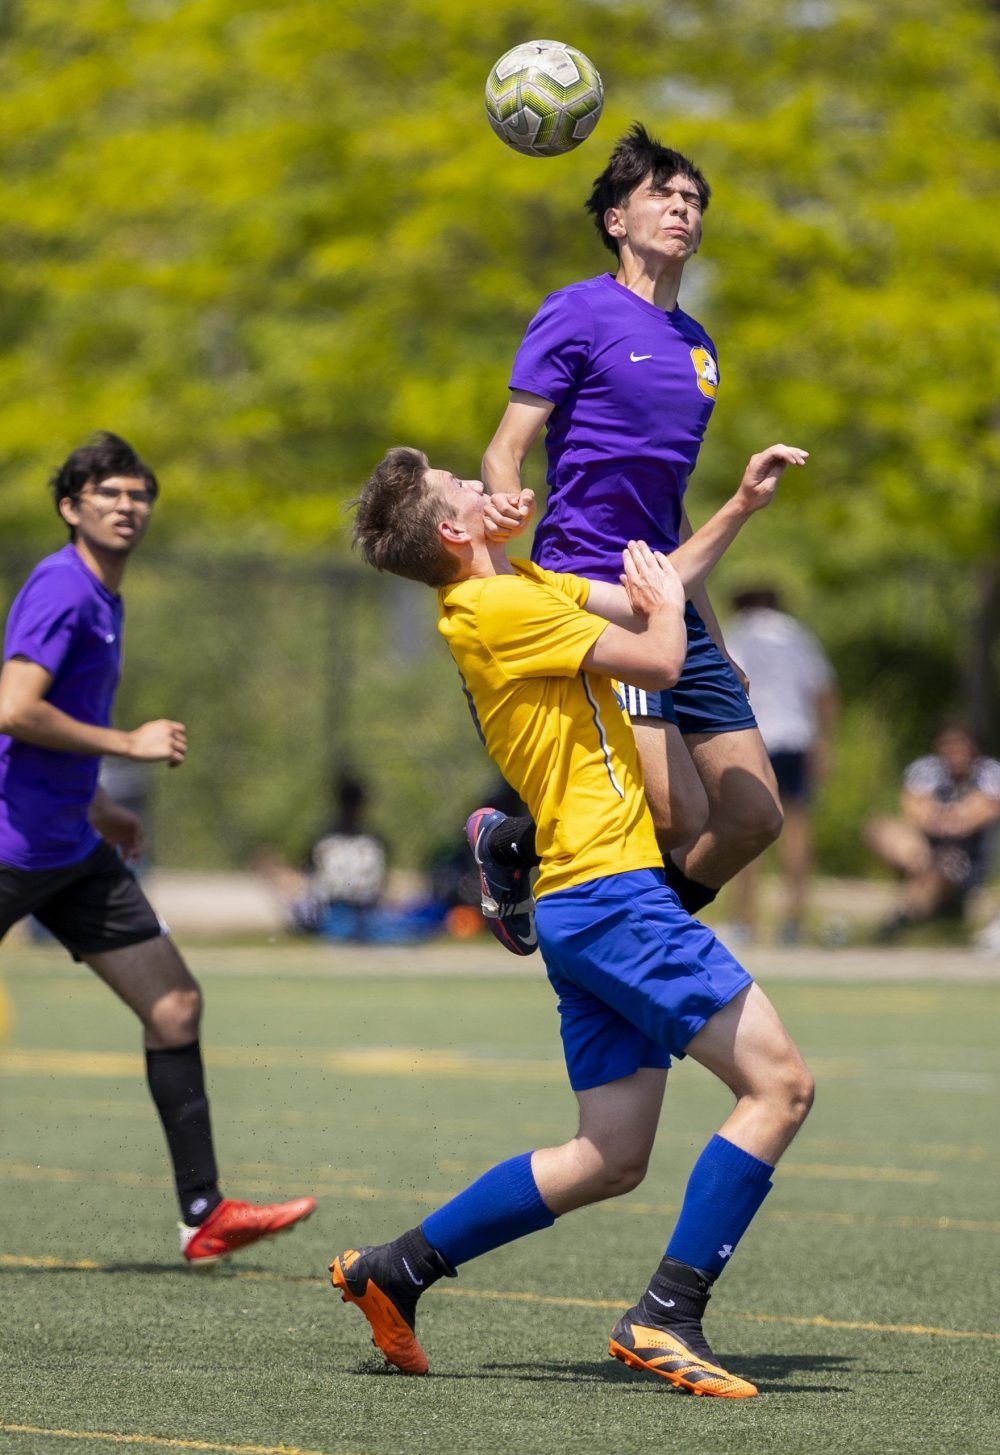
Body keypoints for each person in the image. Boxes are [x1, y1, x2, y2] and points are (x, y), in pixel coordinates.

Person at [330, 440, 813, 1398]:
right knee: (781, 1087)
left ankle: (398, 1268)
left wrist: (738, 509)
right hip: (612, 894)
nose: (480, 481)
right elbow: (661, 653)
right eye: (459, 488)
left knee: (608, 1157)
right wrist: (670, 608)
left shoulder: (514, 585)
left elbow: (649, 589)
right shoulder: (498, 604)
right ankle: (666, 1314)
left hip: (582, 902)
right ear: (456, 530)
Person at [474, 123, 791, 949]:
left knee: (755, 814)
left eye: (694, 200)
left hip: (669, 598)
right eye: (664, 195)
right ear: (617, 219)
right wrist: (505, 560)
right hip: (595, 593)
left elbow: (670, 504)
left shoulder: (700, 348)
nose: (684, 209)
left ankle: (642, 930)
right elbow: (504, 450)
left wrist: (711, 639)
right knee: (677, 811)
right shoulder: (576, 310)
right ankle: (511, 847)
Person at [0, 432, 315, 1262]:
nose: (127, 505)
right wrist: (127, 743)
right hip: (8, 843)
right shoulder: (64, 587)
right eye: (108, 492)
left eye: (138, 494)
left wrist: (100, 805)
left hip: (67, 846)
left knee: (174, 1005)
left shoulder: (105, 595)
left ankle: (203, 1212)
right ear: (72, 508)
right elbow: (15, 708)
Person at [723, 588, 838, 944]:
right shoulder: (797, 633)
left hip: (755, 738)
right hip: (796, 737)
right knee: (797, 832)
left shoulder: (737, 631)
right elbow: (823, 692)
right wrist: (826, 744)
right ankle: (793, 923)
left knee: (747, 831)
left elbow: (730, 686)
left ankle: (745, 921)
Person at [865, 720, 1000, 941]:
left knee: (940, 868)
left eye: (960, 745)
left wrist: (937, 815)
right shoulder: (927, 769)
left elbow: (977, 814)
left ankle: (902, 918)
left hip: (965, 860)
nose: (954, 752)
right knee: (880, 827)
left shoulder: (989, 772)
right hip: (925, 853)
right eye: (948, 745)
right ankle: (918, 891)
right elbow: (911, 810)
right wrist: (946, 817)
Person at [256, 770, 389, 939]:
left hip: (333, 915)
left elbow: (303, 878)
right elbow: (382, 886)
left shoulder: (323, 840)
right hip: (367, 915)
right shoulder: (375, 841)